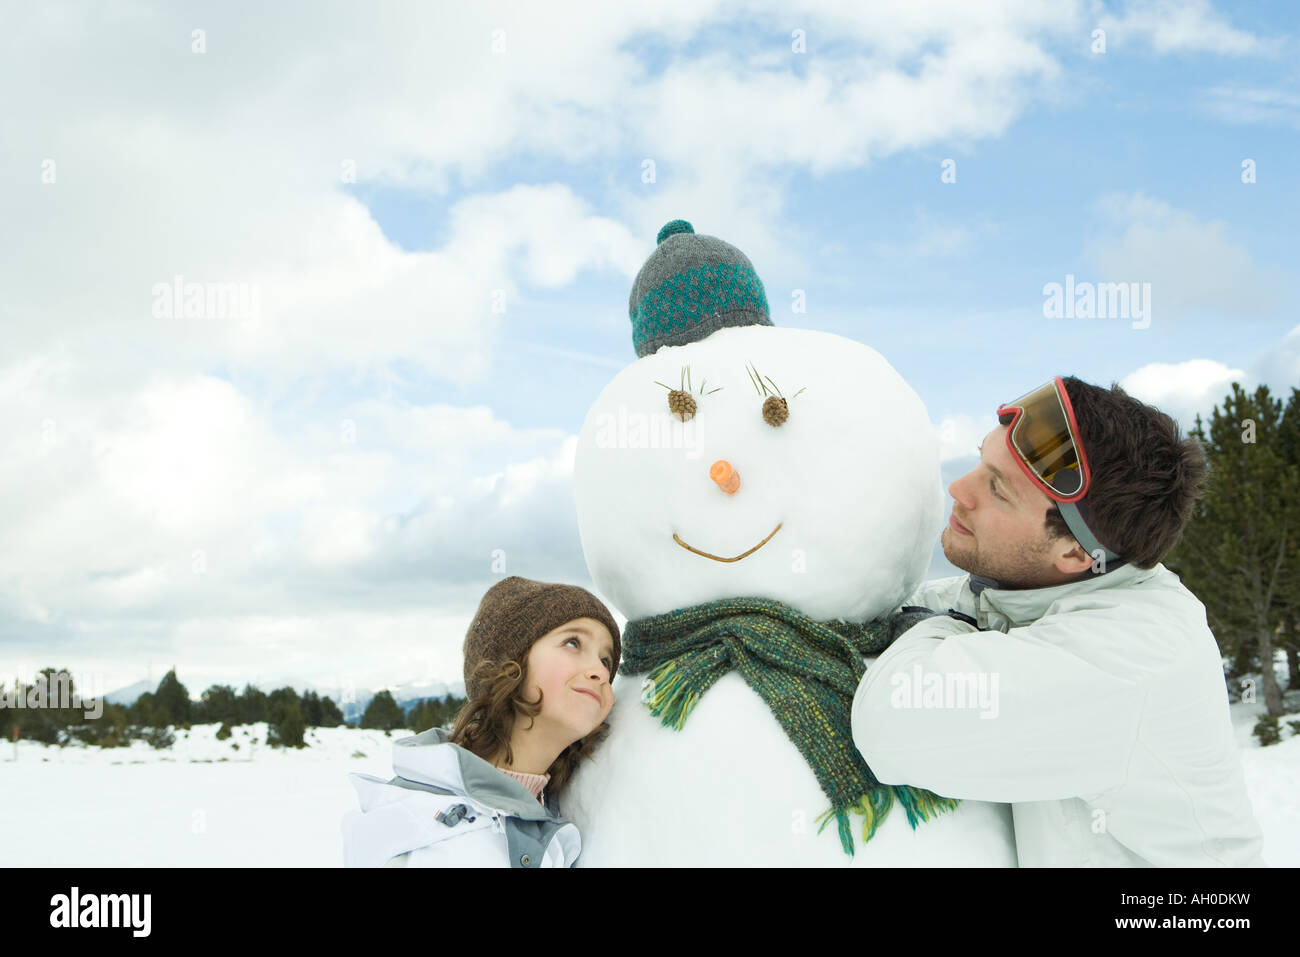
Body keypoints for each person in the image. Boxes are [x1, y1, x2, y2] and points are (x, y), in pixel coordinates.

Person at [852, 376, 1267, 866]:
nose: (959, 488)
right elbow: (958, 602)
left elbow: (890, 726)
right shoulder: (1055, 588)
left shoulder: (1132, 655)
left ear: (1073, 552)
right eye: (981, 461)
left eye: (997, 489)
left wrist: (936, 626)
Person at [341, 576, 620, 867]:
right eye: (573, 642)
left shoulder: (559, 818)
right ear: (507, 664)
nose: (600, 672)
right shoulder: (428, 836)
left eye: (606, 661)